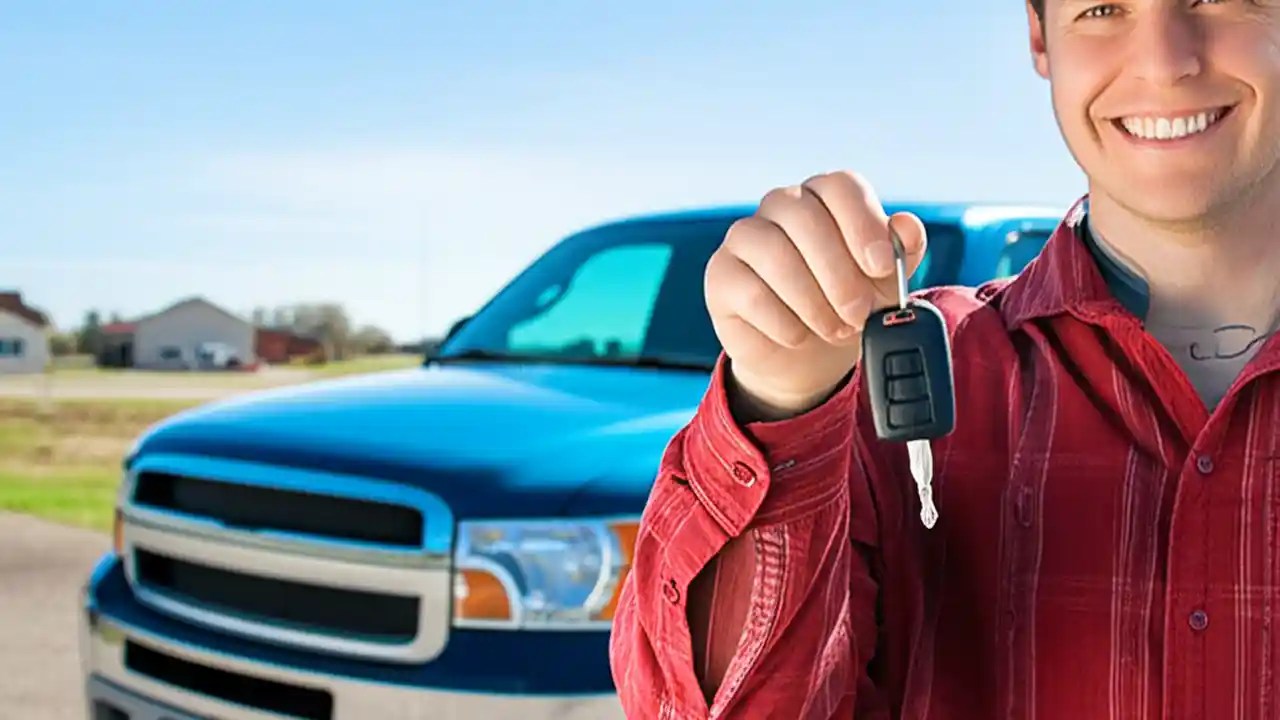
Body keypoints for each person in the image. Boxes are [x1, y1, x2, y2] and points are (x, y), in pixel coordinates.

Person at [608, 0, 1280, 717]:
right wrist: (781, 401)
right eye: (1104, 7)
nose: (1163, 59)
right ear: (1038, 33)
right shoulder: (878, 398)